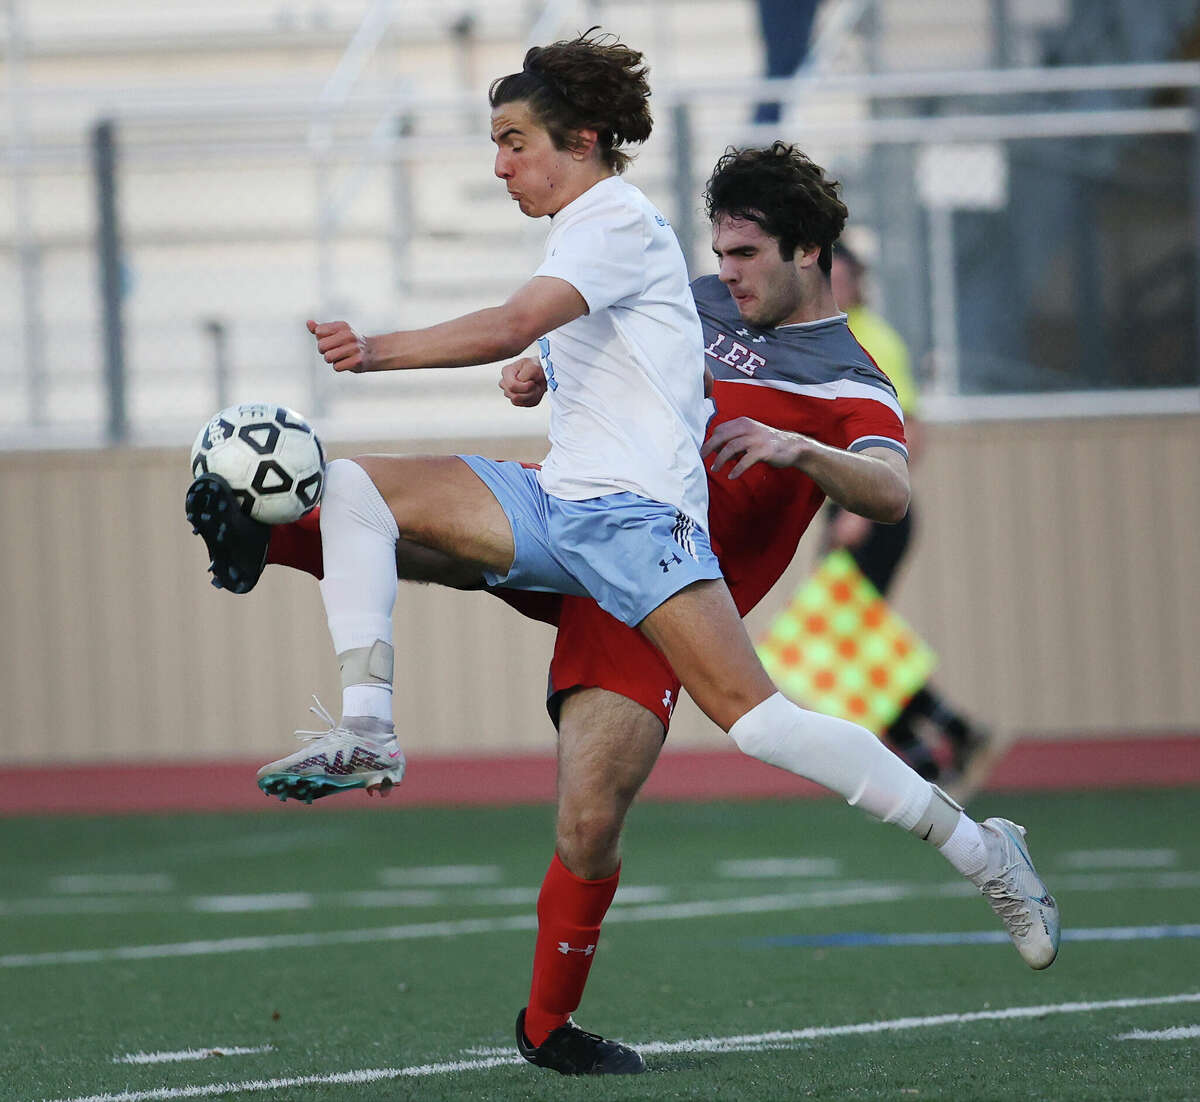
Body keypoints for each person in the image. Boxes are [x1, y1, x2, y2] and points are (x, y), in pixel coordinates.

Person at [186, 30, 1059, 1077]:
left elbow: (891, 481)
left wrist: (803, 450)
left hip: (659, 569)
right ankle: (332, 656)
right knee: (379, 499)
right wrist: (544, 374)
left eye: (745, 257)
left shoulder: (848, 375)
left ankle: (979, 849)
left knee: (639, 792)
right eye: (720, 251)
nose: (723, 273)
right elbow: (603, 337)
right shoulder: (686, 288)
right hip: (577, 513)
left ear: (809, 255)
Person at [828, 243, 990, 783]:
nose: (835, 285)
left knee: (846, 628)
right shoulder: (824, 333)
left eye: (843, 276)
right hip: (845, 501)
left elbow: (908, 433)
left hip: (873, 505)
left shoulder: (874, 340)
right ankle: (941, 736)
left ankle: (930, 744)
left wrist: (865, 509)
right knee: (845, 631)